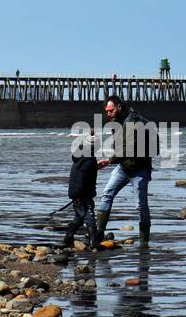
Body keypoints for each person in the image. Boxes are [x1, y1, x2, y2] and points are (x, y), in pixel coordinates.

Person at [95, 94, 154, 249]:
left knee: (141, 206)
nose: (108, 114)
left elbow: (130, 149)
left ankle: (144, 243)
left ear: (119, 107)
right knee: (107, 194)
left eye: (111, 110)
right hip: (123, 167)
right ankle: (98, 234)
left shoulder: (133, 122)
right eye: (106, 111)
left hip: (140, 169)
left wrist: (109, 160)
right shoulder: (117, 122)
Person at [63, 129, 99, 250]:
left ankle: (68, 237)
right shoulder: (90, 160)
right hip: (82, 193)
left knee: (79, 216)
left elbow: (82, 175)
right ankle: (94, 241)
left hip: (75, 192)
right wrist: (88, 193)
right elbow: (86, 179)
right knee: (89, 214)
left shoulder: (80, 156)